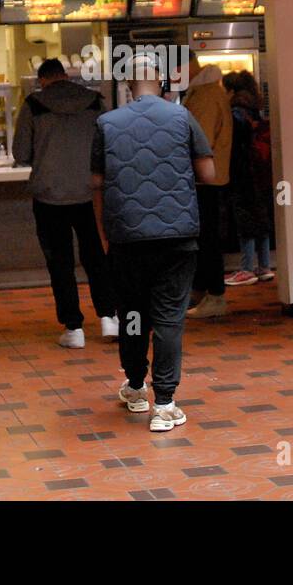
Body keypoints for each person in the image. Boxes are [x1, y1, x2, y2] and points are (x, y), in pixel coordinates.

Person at [91, 51, 215, 432]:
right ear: (161, 81)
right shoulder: (181, 117)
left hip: (126, 238)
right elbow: (208, 173)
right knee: (169, 319)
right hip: (176, 238)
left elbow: (96, 185)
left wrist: (105, 234)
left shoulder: (106, 123)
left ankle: (134, 386)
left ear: (127, 86)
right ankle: (165, 403)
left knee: (132, 315)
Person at [13, 57, 117, 348]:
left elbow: (20, 152)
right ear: (65, 76)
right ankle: (110, 318)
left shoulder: (34, 104)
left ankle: (74, 328)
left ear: (43, 79)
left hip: (49, 195)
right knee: (97, 256)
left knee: (60, 262)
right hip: (90, 192)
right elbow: (109, 144)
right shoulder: (95, 101)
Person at [182, 54, 233, 318]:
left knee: (207, 238)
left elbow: (198, 141)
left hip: (205, 179)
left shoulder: (205, 95)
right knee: (204, 237)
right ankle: (203, 290)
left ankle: (215, 295)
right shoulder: (206, 91)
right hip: (209, 177)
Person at [222, 71, 273, 286]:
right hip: (260, 172)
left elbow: (233, 147)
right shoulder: (256, 109)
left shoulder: (235, 113)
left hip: (242, 173)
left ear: (231, 90)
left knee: (245, 221)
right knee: (261, 219)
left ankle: (246, 268)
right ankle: (264, 266)